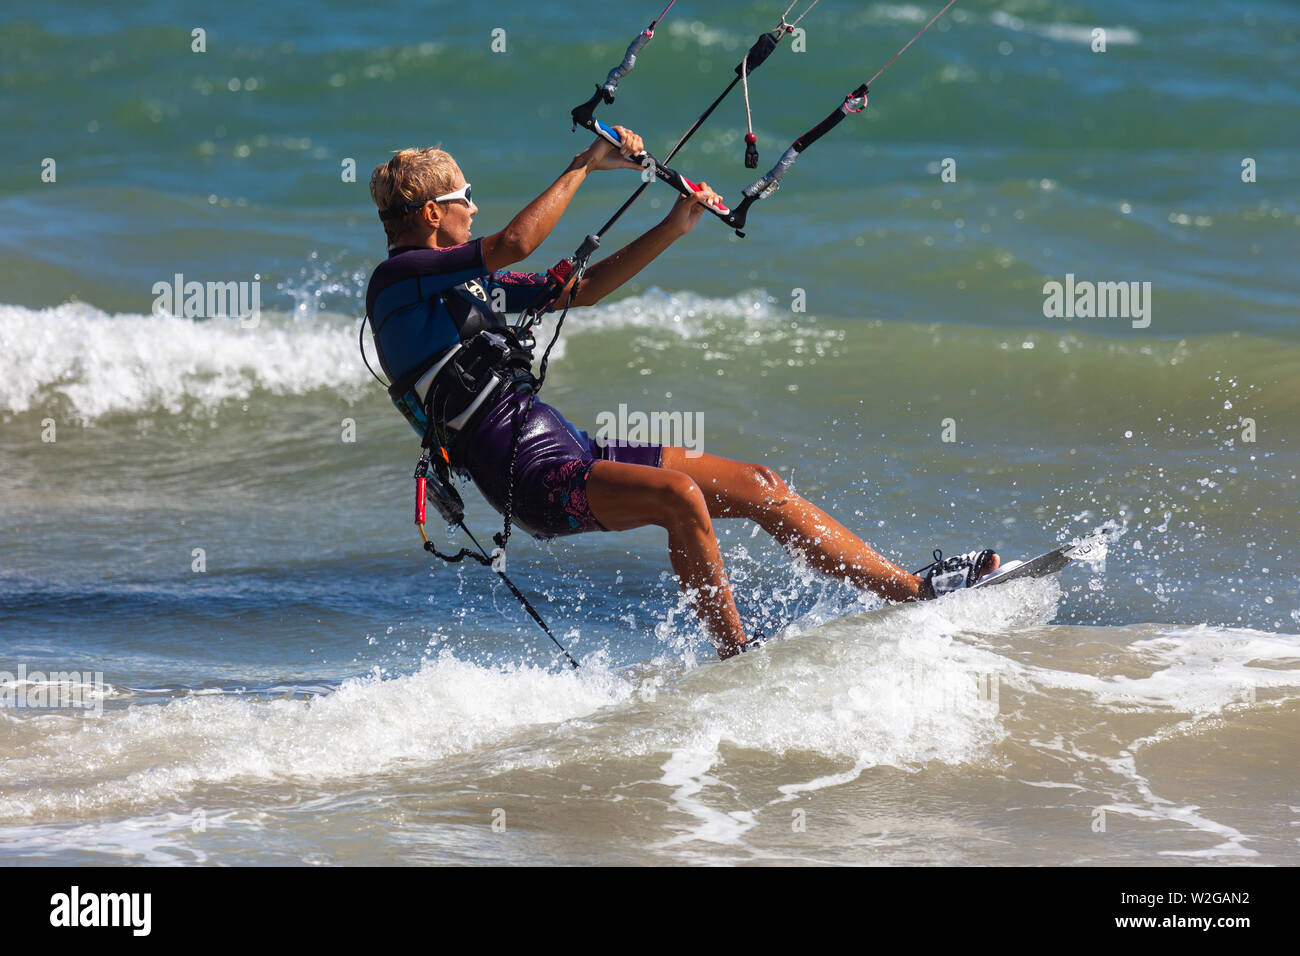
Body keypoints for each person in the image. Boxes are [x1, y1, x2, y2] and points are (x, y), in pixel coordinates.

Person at [365, 128, 999, 659]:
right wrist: (585, 163)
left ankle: (914, 592)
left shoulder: (465, 288)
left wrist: (674, 226)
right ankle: (737, 661)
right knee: (679, 496)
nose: (474, 208)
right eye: (465, 197)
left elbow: (583, 290)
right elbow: (514, 243)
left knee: (760, 484)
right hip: (527, 479)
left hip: (568, 448)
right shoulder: (394, 284)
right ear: (432, 213)